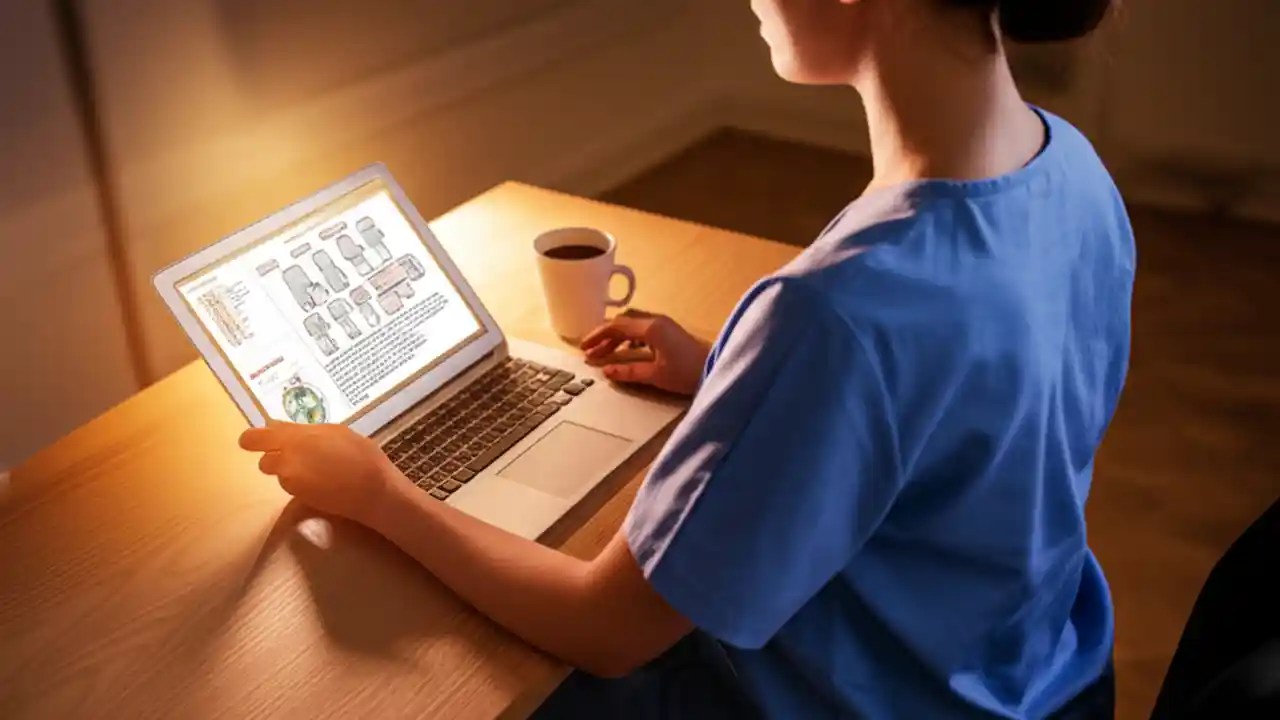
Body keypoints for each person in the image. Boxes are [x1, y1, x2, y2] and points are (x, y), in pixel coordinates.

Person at [238, 0, 1133, 716]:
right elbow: (958, 418)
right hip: (1037, 677)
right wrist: (727, 370)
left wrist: (381, 492)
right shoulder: (1072, 171)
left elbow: (608, 630)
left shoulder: (835, 309)